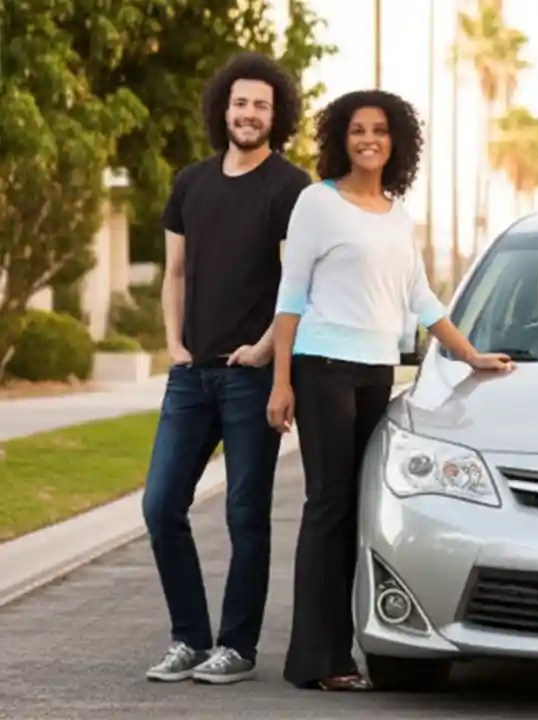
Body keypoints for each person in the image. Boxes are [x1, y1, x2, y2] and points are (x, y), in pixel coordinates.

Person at [267, 89, 515, 691]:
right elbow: (291, 295)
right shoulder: (317, 202)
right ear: (341, 139)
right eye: (358, 130)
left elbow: (421, 298)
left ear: (395, 142)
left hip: (376, 370)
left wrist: (469, 354)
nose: (368, 140)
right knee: (328, 507)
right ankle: (317, 660)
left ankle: (342, 652)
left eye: (379, 130)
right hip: (323, 366)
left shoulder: (397, 215)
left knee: (358, 509)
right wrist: (280, 382)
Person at [141, 52, 313, 685]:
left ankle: (236, 646)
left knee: (245, 516)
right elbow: (175, 273)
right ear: (223, 108)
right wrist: (173, 343)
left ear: (277, 115)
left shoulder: (290, 187)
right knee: (161, 506)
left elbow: (297, 283)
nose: (249, 113)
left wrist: (266, 350)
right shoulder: (191, 182)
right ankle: (189, 638)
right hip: (190, 377)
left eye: (261, 105)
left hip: (250, 377)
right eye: (240, 102)